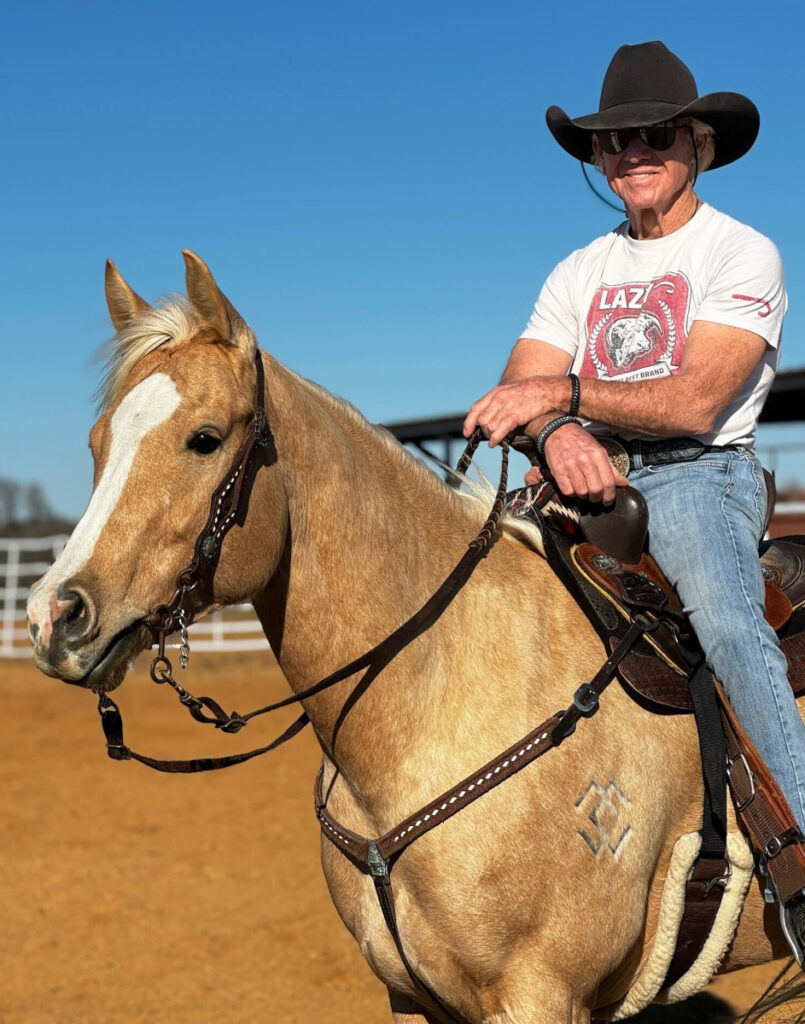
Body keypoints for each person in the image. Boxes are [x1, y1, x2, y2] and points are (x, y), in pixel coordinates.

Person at [463, 40, 805, 957]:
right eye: (614, 143)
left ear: (695, 142)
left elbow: (695, 398)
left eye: (655, 135)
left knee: (732, 630)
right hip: (582, 478)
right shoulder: (577, 270)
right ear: (596, 161)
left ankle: (804, 857)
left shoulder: (741, 251)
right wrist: (557, 432)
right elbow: (521, 385)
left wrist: (565, 400)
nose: (634, 154)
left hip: (699, 475)